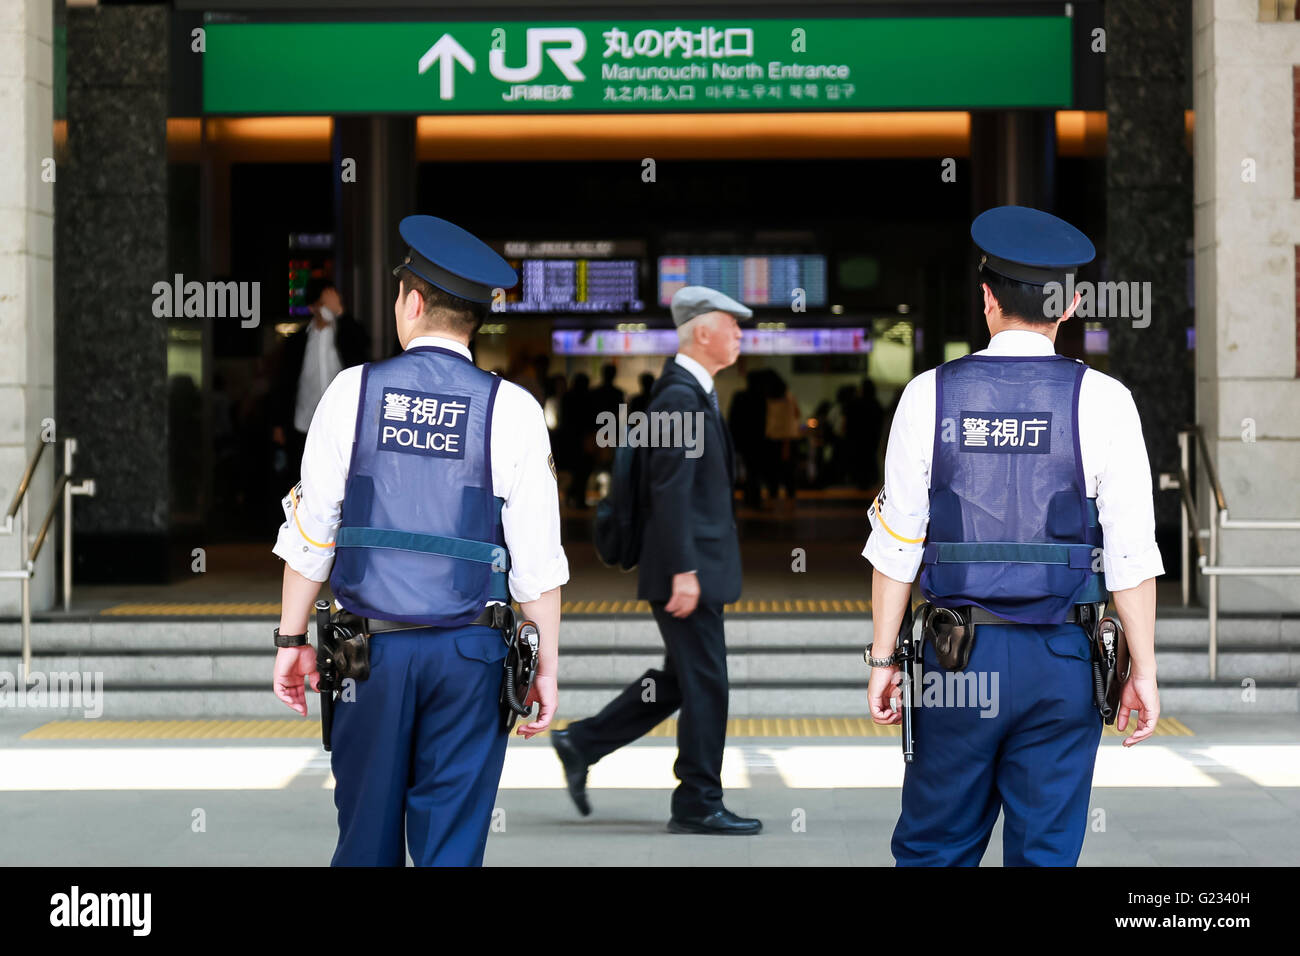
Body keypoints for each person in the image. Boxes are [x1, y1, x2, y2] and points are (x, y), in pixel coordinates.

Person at [863, 205, 1163, 867]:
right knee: (1046, 853)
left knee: (934, 848)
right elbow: (1129, 555)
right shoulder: (1106, 400)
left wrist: (884, 659)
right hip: (1064, 660)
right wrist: (1142, 668)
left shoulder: (927, 395)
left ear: (987, 298)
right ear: (1071, 304)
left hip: (955, 660)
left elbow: (898, 543)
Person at [270, 215, 568, 866]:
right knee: (451, 848)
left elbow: (311, 534)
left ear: (411, 302)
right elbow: (537, 566)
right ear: (475, 322)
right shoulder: (512, 409)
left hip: (363, 653)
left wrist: (292, 640)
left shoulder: (352, 392)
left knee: (365, 842)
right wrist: (543, 664)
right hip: (472, 655)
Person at [551, 286, 761, 835]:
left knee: (681, 680)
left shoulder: (692, 395)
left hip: (691, 566)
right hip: (685, 571)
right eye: (731, 324)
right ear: (702, 332)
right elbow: (670, 493)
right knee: (708, 682)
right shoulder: (678, 400)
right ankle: (697, 800)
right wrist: (683, 571)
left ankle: (581, 742)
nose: (741, 332)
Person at [271, 278, 370, 477]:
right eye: (325, 302)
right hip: (304, 424)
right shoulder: (298, 342)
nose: (329, 307)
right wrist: (279, 423)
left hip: (342, 426)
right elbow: (285, 382)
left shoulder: (346, 333)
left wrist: (341, 313)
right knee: (303, 479)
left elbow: (363, 347)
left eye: (333, 301)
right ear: (312, 306)